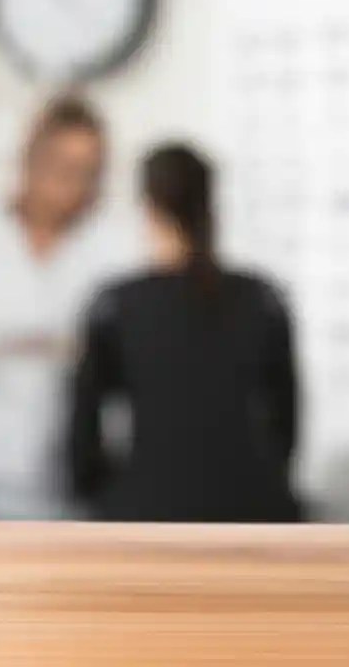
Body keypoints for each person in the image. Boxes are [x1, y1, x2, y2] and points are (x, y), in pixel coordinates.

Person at [66, 143, 303, 522]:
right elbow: (287, 427)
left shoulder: (115, 306)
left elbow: (82, 440)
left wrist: (110, 497)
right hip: (253, 511)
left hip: (147, 512)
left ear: (147, 207)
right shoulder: (263, 299)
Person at [0, 95, 124, 519]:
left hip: (86, 471)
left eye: (87, 172)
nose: (72, 184)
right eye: (62, 167)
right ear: (30, 159)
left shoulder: (115, 244)